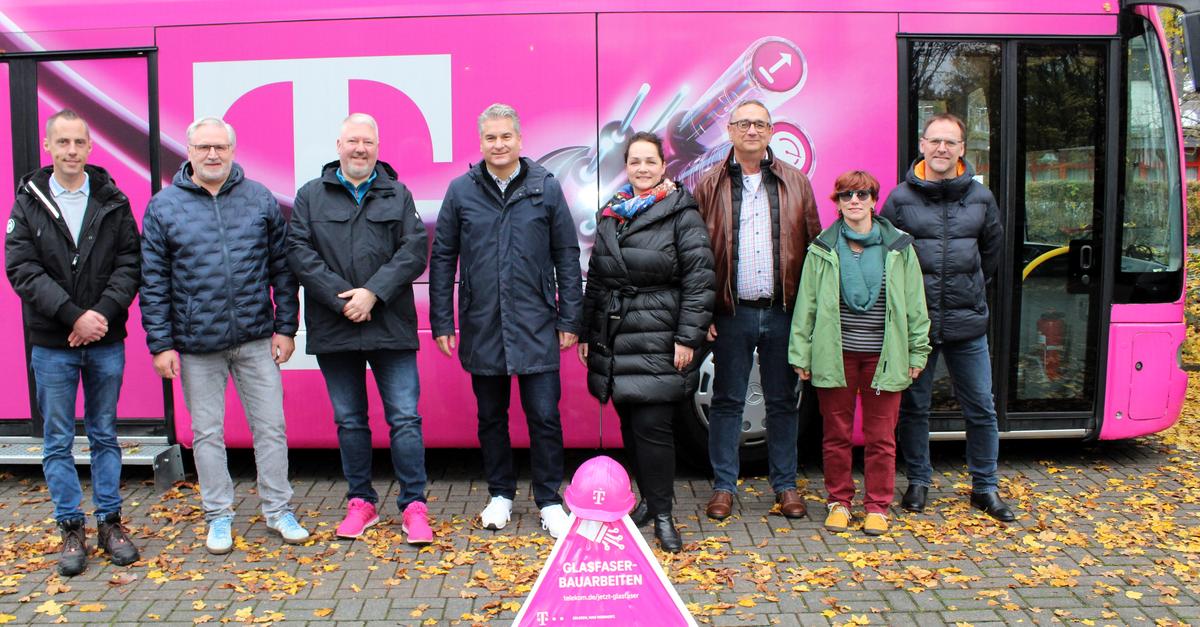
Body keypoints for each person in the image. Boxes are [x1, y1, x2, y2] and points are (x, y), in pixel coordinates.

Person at [140, 116, 310, 554]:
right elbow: (153, 281)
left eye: (220, 147)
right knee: (207, 434)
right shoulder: (164, 206)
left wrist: (286, 327)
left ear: (233, 150)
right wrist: (160, 344)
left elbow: (282, 268)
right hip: (197, 346)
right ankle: (219, 516)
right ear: (189, 151)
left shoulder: (259, 199)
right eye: (203, 147)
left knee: (271, 428)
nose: (212, 154)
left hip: (256, 338)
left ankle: (279, 510)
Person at [429, 103, 583, 539]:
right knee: (491, 417)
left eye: (506, 137)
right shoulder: (461, 191)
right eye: (491, 138)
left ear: (520, 140)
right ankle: (500, 495)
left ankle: (550, 500)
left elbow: (566, 255)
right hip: (483, 324)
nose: (499, 144)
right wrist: (444, 320)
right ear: (481, 143)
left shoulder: (545, 187)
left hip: (536, 322)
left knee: (544, 417)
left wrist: (571, 315)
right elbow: (442, 259)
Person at [4, 110, 141, 576]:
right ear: (48, 146)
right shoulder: (28, 202)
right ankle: (69, 527)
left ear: (89, 147)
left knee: (105, 434)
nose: (70, 151)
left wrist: (99, 315)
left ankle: (110, 523)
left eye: (78, 142)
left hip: (105, 339)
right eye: (62, 142)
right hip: (52, 342)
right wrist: (72, 316)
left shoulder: (113, 200)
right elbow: (22, 269)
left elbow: (130, 263)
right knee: (57, 440)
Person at [287, 113, 433, 544]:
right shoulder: (310, 196)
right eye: (352, 141)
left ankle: (414, 507)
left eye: (367, 142)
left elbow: (414, 250)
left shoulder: (398, 192)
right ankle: (361, 503)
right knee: (350, 421)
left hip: (390, 322)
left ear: (378, 146)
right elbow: (299, 252)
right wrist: (344, 299)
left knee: (405, 419)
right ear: (338, 145)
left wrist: (372, 293)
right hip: (336, 326)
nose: (360, 149)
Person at [578, 132, 715, 552]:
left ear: (663, 165)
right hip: (615, 338)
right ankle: (647, 504)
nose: (641, 168)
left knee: (654, 429)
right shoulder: (612, 214)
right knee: (631, 428)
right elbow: (598, 279)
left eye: (649, 161)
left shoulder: (681, 212)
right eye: (634, 161)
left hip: (659, 332)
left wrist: (687, 337)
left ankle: (664, 514)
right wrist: (587, 332)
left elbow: (700, 279)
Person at [878, 112, 1015, 522]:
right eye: (935, 141)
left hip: (967, 323)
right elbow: (887, 257)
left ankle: (984, 488)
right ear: (922, 145)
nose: (942, 149)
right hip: (917, 328)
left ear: (961, 150)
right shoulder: (900, 199)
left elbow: (991, 253)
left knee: (981, 408)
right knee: (915, 409)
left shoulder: (980, 198)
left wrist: (969, 289)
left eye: (950, 142)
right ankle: (918, 482)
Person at [693, 99, 822, 520]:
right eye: (743, 123)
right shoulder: (708, 185)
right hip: (731, 311)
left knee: (783, 401)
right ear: (729, 131)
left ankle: (785, 486)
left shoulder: (796, 182)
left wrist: (810, 314)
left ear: (771, 132)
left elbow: (814, 248)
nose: (752, 130)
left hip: (783, 311)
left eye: (760, 124)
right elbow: (696, 254)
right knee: (727, 400)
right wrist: (705, 311)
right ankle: (724, 488)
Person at [788, 171, 930, 536]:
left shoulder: (899, 248)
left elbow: (916, 304)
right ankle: (839, 502)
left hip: (885, 357)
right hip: (836, 356)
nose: (854, 201)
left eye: (862, 194)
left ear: (873, 200)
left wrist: (917, 352)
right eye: (846, 195)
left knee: (881, 437)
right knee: (836, 434)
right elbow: (808, 305)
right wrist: (800, 354)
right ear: (836, 202)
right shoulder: (822, 247)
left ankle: (878, 506)